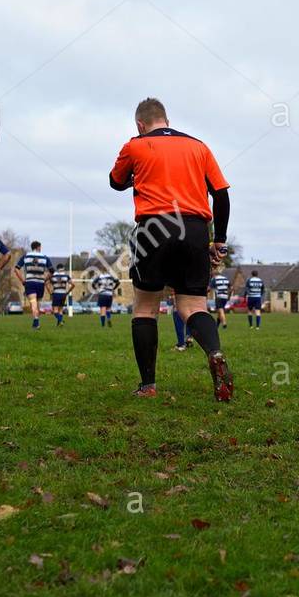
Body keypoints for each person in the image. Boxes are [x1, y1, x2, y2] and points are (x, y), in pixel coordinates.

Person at [108, 97, 233, 400]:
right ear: (167, 119)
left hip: (154, 227)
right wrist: (219, 239)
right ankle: (214, 353)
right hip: (194, 228)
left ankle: (148, 385)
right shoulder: (199, 146)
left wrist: (139, 175)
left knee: (146, 307)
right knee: (192, 307)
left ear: (140, 124)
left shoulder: (135, 145)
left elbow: (115, 181)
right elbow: (222, 196)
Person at [15, 241, 53, 330]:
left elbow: (16, 269)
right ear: (38, 247)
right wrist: (45, 280)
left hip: (30, 282)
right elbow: (52, 271)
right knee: (38, 302)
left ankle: (36, 320)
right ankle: (37, 321)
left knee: (33, 302)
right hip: (40, 283)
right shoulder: (45, 257)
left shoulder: (26, 257)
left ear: (32, 247)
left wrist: (22, 281)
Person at [46, 261, 74, 327]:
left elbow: (46, 284)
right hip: (63, 294)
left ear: (57, 268)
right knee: (60, 309)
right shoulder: (66, 276)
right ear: (63, 268)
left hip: (56, 293)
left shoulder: (53, 276)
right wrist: (67, 292)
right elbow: (73, 285)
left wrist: (49, 292)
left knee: (55, 310)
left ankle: (61, 321)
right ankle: (59, 324)